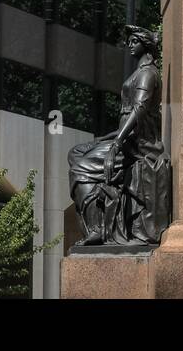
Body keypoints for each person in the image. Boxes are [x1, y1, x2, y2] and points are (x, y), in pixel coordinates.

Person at [68, 26, 172, 245]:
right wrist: (108, 138)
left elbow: (139, 109)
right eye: (129, 41)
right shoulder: (139, 72)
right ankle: (98, 218)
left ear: (146, 45)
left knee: (80, 167)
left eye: (134, 41)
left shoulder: (147, 74)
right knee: (76, 152)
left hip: (138, 145)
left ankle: (97, 228)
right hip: (126, 137)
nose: (129, 44)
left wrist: (116, 143)